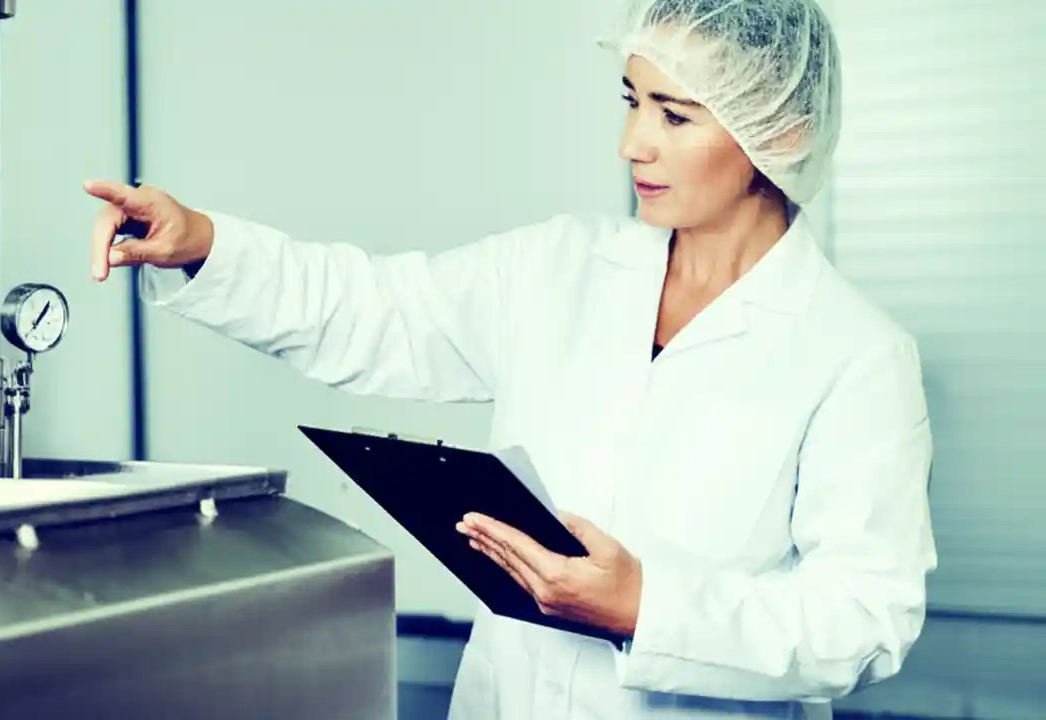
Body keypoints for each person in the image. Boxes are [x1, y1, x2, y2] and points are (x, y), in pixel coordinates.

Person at [84, 0, 937, 717]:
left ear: (779, 129)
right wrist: (204, 247)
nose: (633, 143)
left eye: (674, 115)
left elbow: (863, 619)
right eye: (631, 100)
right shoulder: (559, 267)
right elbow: (371, 309)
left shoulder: (854, 355)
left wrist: (647, 606)